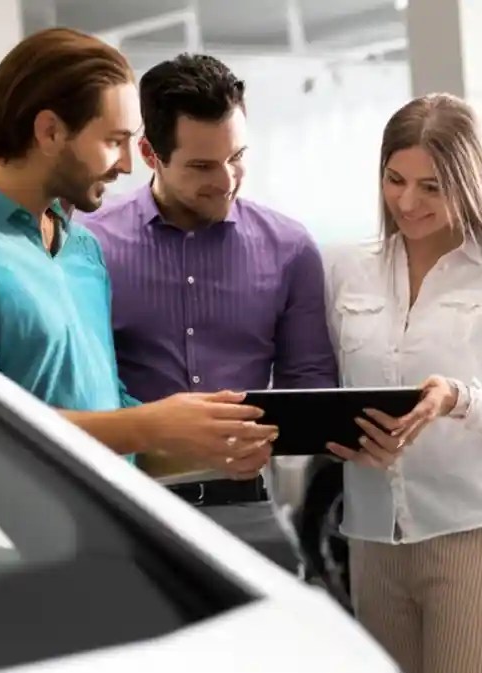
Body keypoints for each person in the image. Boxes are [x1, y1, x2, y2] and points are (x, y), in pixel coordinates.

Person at [0, 28, 276, 479]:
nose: (128, 164)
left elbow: (109, 419)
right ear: (50, 131)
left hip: (97, 542)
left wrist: (204, 448)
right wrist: (149, 425)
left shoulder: (81, 247)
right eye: (114, 141)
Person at [323, 93, 482, 673]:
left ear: (467, 182)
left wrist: (458, 399)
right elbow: (326, 386)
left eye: (431, 186)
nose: (407, 202)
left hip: (481, 532)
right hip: (373, 538)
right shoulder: (348, 270)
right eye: (395, 180)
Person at [74, 53, 337, 576]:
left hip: (245, 508)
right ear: (149, 153)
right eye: (200, 166)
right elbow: (78, 384)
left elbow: (310, 388)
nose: (226, 180)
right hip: (122, 507)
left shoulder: (291, 248)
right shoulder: (89, 246)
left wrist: (270, 437)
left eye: (236, 156)